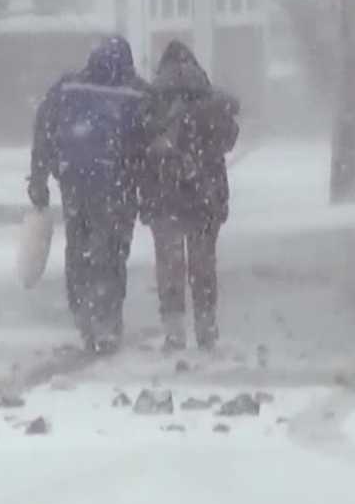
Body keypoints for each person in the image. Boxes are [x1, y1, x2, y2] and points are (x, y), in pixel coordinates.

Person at [27, 36, 148, 355]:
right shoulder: (136, 93)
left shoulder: (68, 89)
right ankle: (107, 319)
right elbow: (149, 143)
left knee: (78, 247)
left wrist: (39, 177)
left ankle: (83, 313)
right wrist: (147, 187)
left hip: (74, 182)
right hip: (117, 185)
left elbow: (44, 130)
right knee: (112, 252)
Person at [139, 41, 240, 351]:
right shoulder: (212, 102)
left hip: (164, 195)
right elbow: (229, 139)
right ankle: (206, 329)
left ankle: (174, 332)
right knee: (203, 265)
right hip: (204, 195)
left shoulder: (151, 103)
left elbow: (139, 148)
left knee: (169, 266)